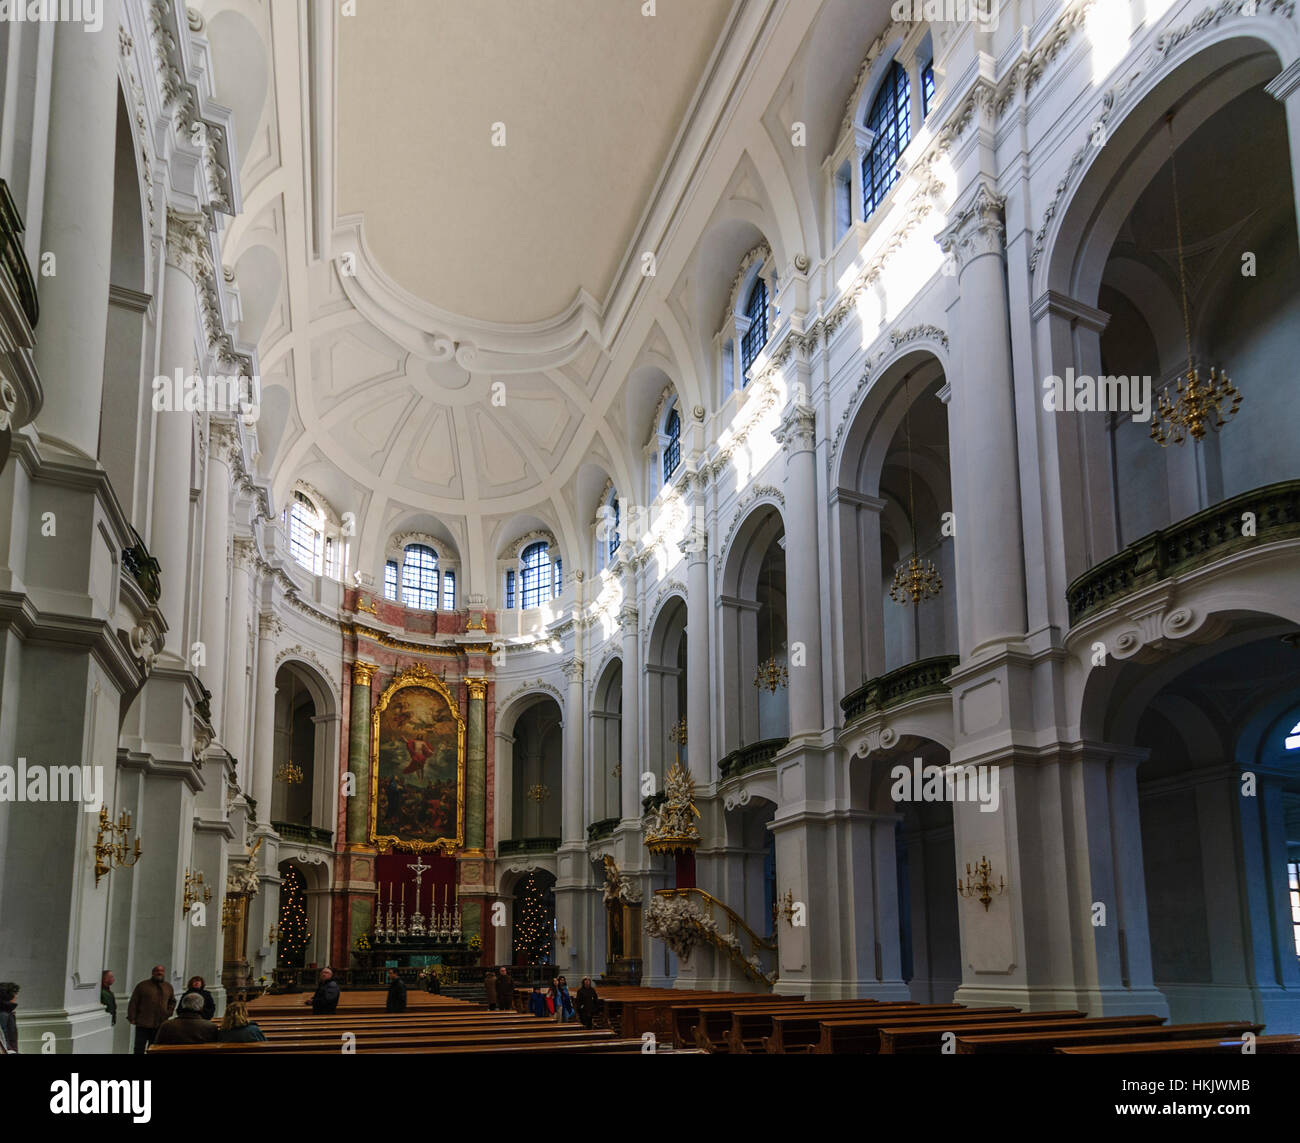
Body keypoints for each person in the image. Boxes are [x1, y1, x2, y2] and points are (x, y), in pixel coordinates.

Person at [127, 966, 176, 1055]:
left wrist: (169, 1012)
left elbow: (172, 1001)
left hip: (160, 1023)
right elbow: (134, 1002)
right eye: (157, 971)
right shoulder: (142, 985)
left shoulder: (168, 987)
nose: (159, 973)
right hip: (143, 1022)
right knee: (139, 1047)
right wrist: (132, 1017)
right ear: (153, 973)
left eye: (161, 971)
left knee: (155, 1047)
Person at [152, 992, 218, 1046]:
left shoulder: (166, 1025)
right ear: (201, 1007)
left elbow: (156, 1047)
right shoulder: (210, 1027)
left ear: (183, 1005)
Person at [0, 982, 18, 1053]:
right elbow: (4, 1036)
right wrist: (10, 1051)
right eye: (15, 994)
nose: (16, 996)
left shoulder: (6, 1012)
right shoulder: (5, 1014)